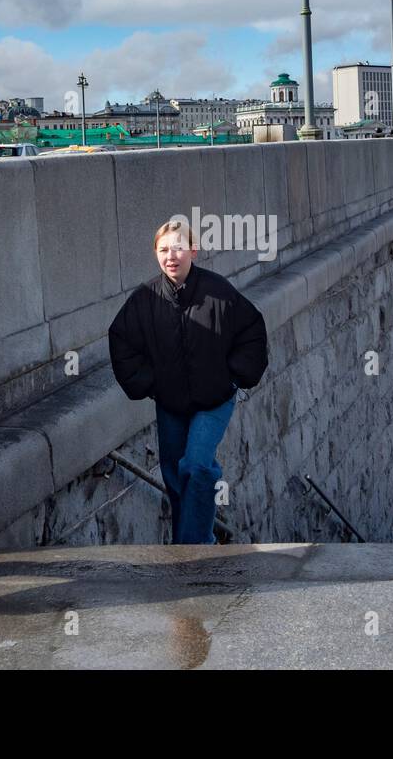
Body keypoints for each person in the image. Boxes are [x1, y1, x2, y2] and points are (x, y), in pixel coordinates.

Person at [108, 220, 268, 544]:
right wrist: (149, 383)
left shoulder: (219, 292)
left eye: (178, 248)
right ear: (156, 254)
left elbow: (253, 332)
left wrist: (234, 375)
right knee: (174, 478)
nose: (172, 256)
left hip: (215, 400)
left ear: (193, 251)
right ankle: (187, 550)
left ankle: (197, 549)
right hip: (170, 403)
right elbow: (120, 340)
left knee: (196, 465)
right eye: (164, 249)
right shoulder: (145, 300)